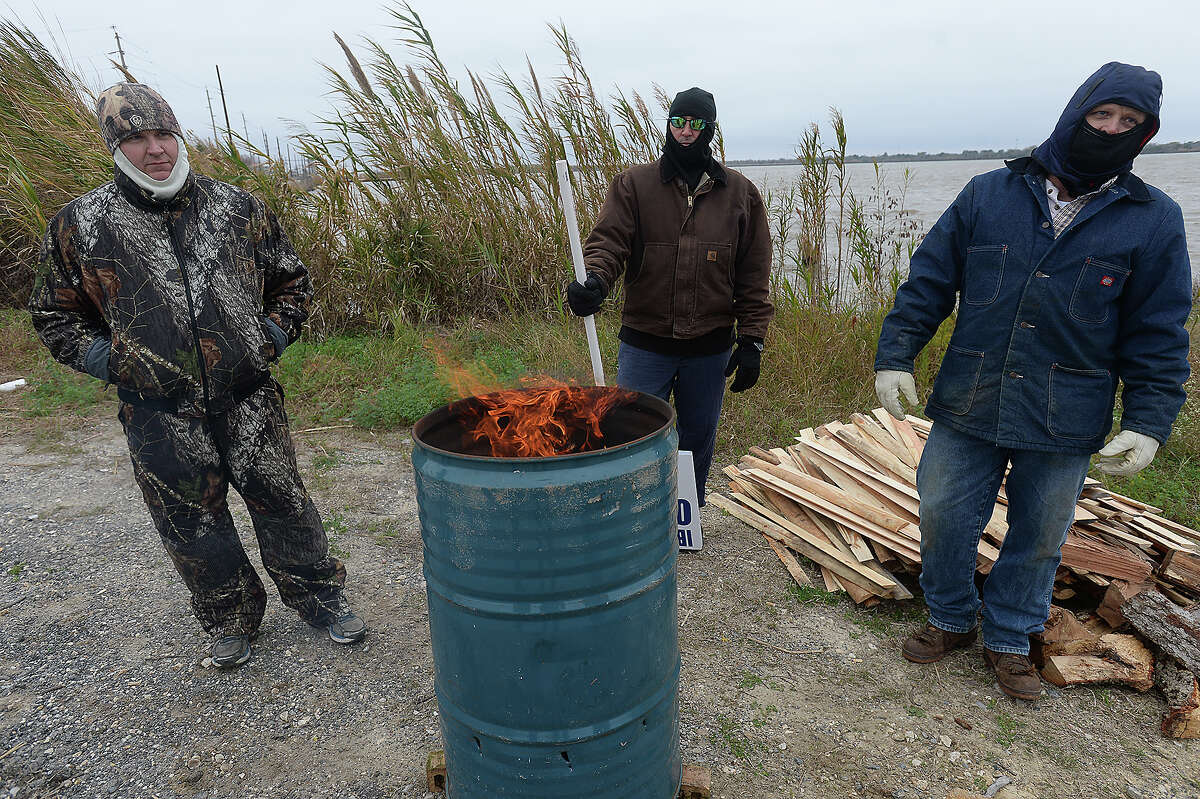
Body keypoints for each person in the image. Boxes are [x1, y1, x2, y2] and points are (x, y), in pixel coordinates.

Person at [873, 63, 1191, 700]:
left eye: (1131, 124)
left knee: (1040, 535)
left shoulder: (1152, 220)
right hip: (971, 397)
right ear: (1077, 111)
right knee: (941, 515)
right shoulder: (989, 194)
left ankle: (1011, 636)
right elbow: (929, 281)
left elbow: (1158, 330)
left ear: (1146, 135)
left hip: (1066, 413)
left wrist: (1148, 423)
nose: (1112, 130)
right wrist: (896, 355)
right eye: (1103, 115)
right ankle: (952, 617)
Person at [29, 83, 366, 668]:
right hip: (157, 411)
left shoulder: (238, 208)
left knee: (284, 502)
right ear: (115, 147)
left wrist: (271, 338)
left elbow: (292, 283)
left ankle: (320, 599)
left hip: (248, 398)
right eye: (136, 139)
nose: (155, 150)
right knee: (190, 520)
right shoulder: (81, 225)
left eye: (163, 134)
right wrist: (109, 361)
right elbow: (55, 314)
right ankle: (228, 619)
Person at [566, 87, 774, 502]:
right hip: (645, 343)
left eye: (695, 123)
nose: (684, 131)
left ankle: (685, 515)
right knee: (630, 431)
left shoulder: (740, 194)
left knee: (696, 438)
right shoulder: (634, 185)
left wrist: (752, 339)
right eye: (678, 121)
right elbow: (609, 243)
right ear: (668, 125)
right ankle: (633, 514)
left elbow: (754, 273)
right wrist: (595, 282)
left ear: (709, 129)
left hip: (709, 348)